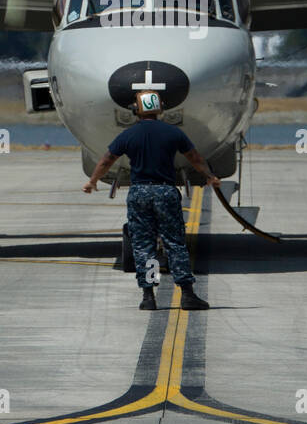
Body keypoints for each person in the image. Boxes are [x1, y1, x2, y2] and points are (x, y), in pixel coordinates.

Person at [83, 90, 219, 310]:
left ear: (136, 110)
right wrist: (210, 177)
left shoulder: (128, 135)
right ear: (160, 109)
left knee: (143, 245)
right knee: (174, 243)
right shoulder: (173, 133)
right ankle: (187, 294)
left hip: (139, 194)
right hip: (165, 192)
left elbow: (107, 159)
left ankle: (148, 297)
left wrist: (92, 181)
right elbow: (195, 158)